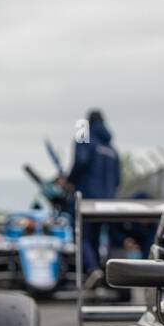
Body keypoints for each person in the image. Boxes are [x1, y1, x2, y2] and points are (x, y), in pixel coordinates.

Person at [60, 109, 121, 276]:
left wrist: (69, 180)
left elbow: (80, 160)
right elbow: (117, 180)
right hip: (107, 202)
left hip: (87, 199)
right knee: (97, 237)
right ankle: (103, 271)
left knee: (81, 235)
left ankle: (92, 269)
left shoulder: (84, 136)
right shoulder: (111, 147)